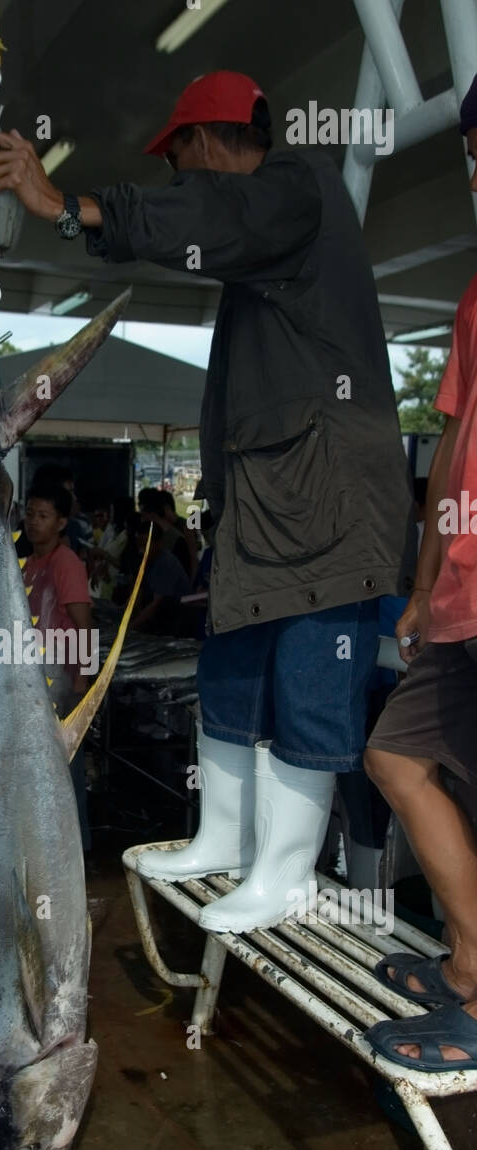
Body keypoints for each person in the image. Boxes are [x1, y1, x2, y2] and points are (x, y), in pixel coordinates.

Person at [0, 68, 415, 933]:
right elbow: (216, 223)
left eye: (181, 160)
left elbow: (213, 215)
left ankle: (286, 872)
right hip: (264, 496)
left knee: (305, 674)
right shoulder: (265, 252)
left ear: (213, 142)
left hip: (324, 495)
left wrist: (70, 205)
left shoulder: (300, 188)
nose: (181, 179)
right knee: (231, 660)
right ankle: (224, 834)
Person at [360, 76, 477, 1072]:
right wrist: (424, 575)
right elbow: (448, 443)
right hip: (457, 592)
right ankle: (468, 962)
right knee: (398, 758)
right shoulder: (476, 296)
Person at [23, 484, 94, 853]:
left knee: (65, 770)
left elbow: (85, 625)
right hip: (34, 680)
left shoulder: (66, 563)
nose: (33, 522)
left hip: (62, 680)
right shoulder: (30, 563)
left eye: (43, 516)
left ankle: (75, 851)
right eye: (30, 513)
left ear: (62, 522)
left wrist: (82, 682)